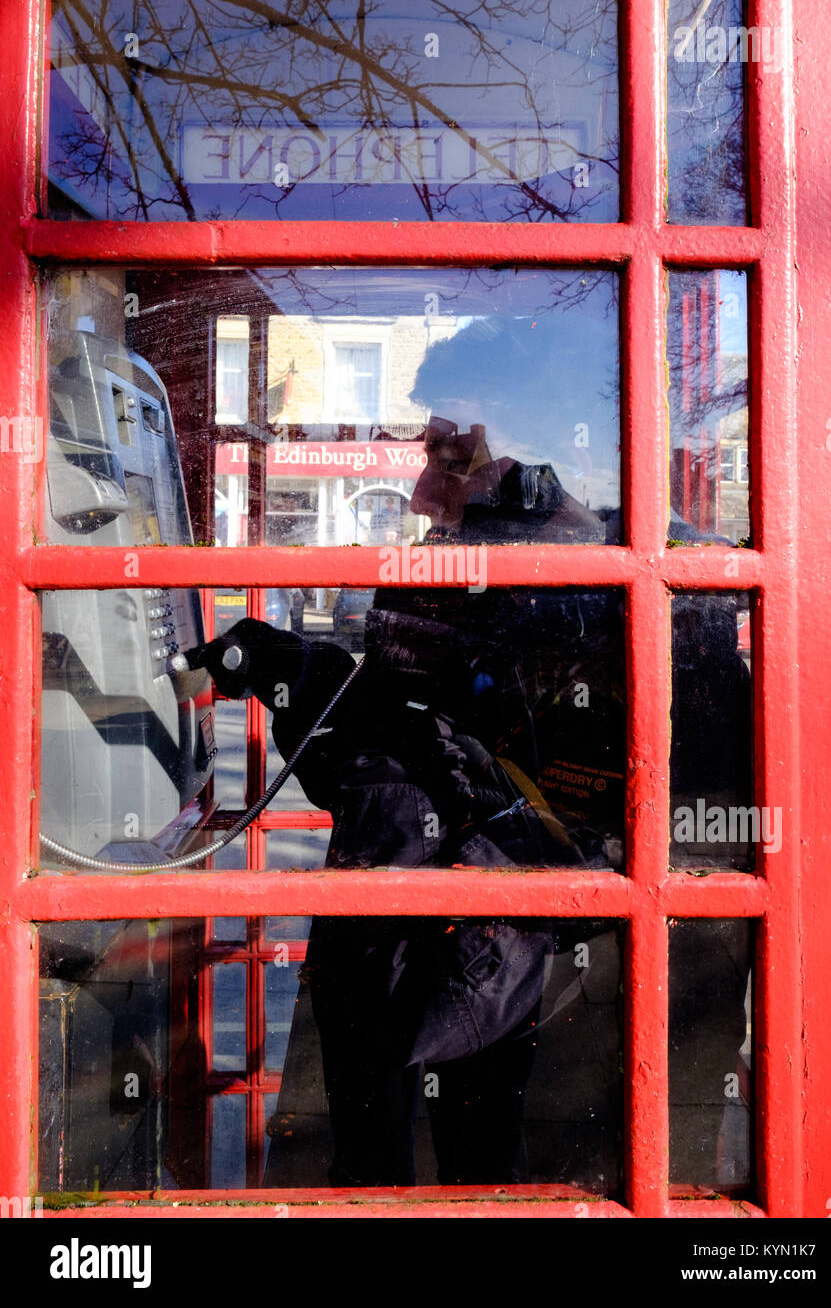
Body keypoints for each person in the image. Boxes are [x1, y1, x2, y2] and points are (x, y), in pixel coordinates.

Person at [199, 316, 750, 1189]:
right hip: (427, 941)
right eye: (429, 458)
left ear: (536, 452)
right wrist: (298, 674)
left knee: (513, 1171)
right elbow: (379, 765)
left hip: (565, 962)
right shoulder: (459, 572)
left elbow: (695, 792)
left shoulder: (631, 584)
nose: (421, 494)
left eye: (454, 459)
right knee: (399, 1167)